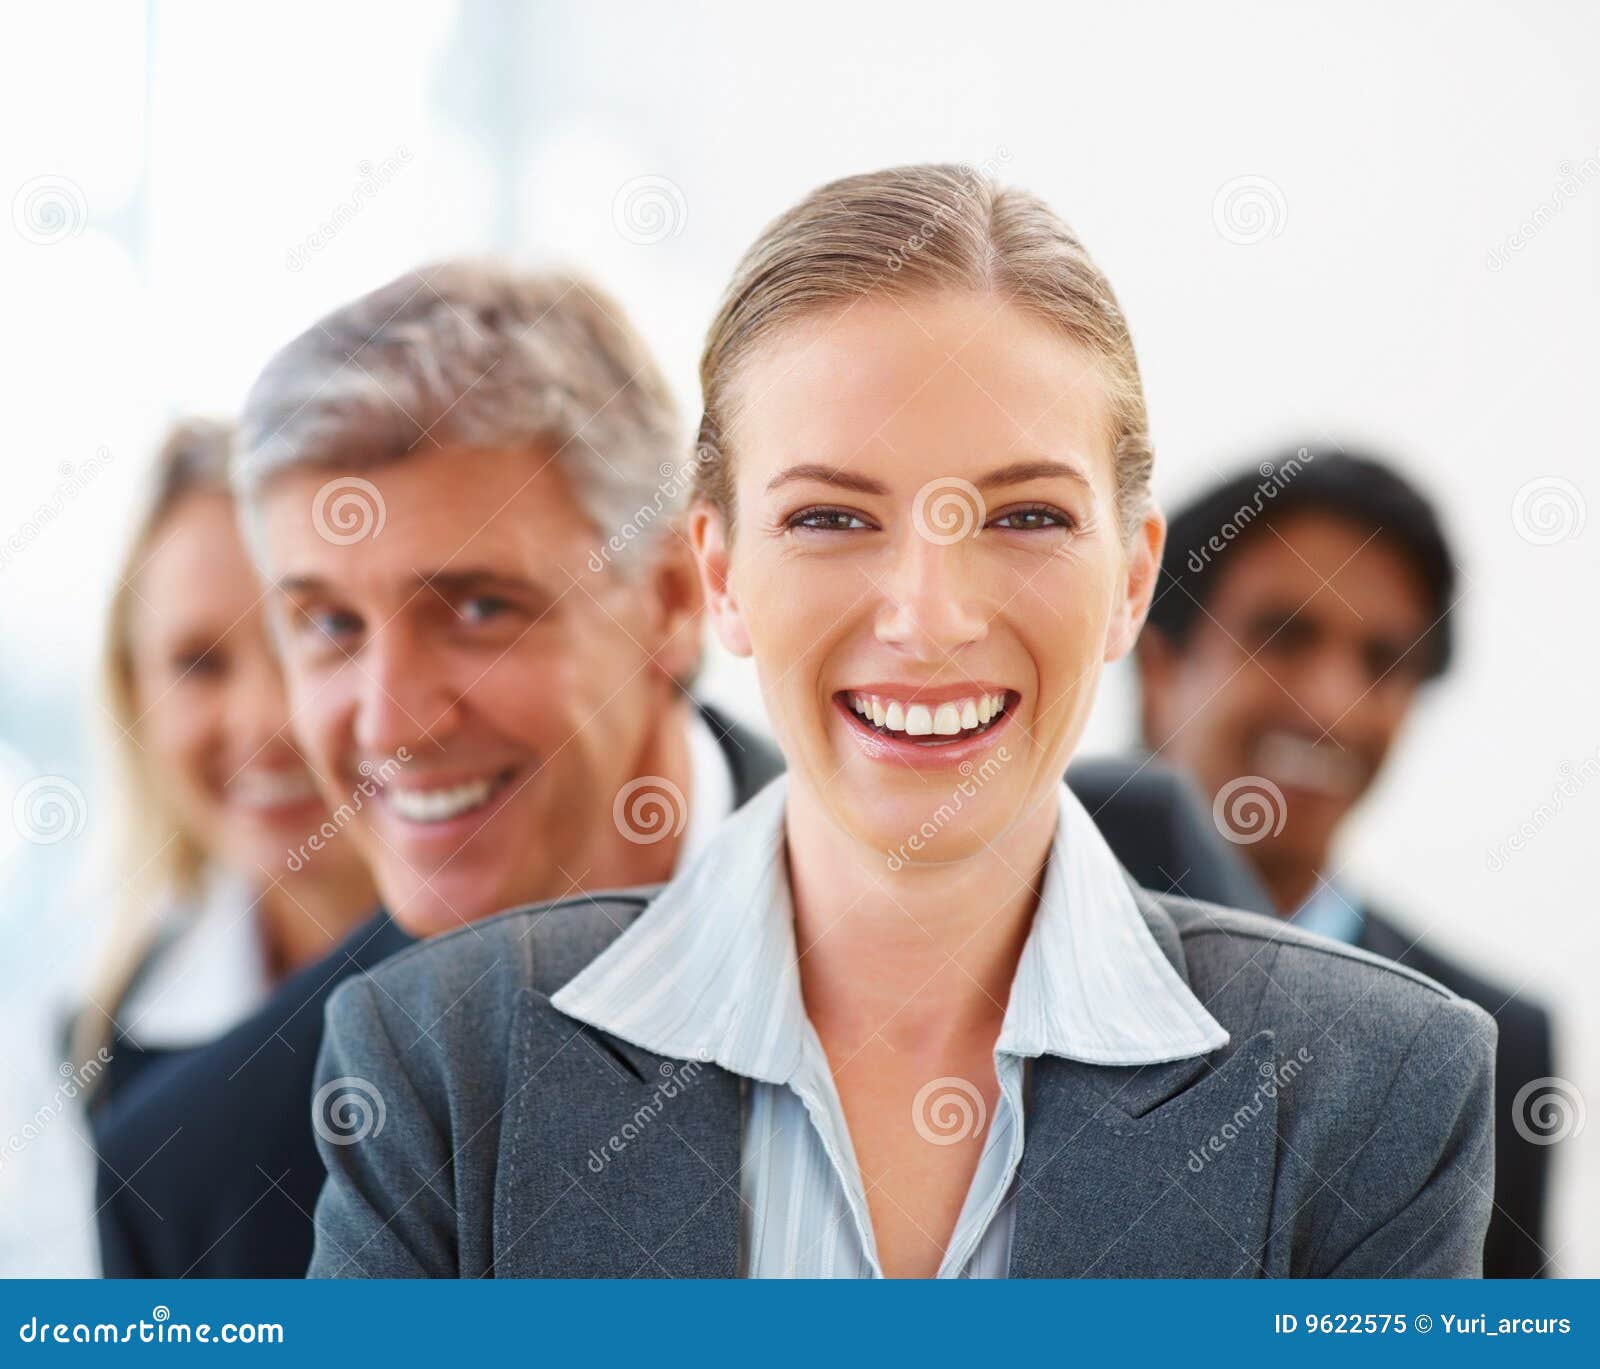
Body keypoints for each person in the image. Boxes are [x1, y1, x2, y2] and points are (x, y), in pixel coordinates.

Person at [308, 167, 1495, 1279]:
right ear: (718, 577)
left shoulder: (1374, 1087)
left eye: (1024, 517)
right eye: (831, 518)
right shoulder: (445, 1066)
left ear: (1132, 580)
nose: (928, 619)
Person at [92, 264, 783, 1277]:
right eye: (328, 624)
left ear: (672, 600)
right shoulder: (198, 1179)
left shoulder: (981, 963)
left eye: (477, 610)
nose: (388, 722)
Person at [1136, 447, 1556, 1278]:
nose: (1333, 703)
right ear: (1159, 665)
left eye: (1384, 660)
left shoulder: (1496, 1039)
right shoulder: (984, 955)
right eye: (1283, 636)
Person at [83, 417, 376, 1096]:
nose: (268, 720)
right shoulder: (95, 1048)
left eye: (318, 634)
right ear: (133, 692)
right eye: (199, 664)